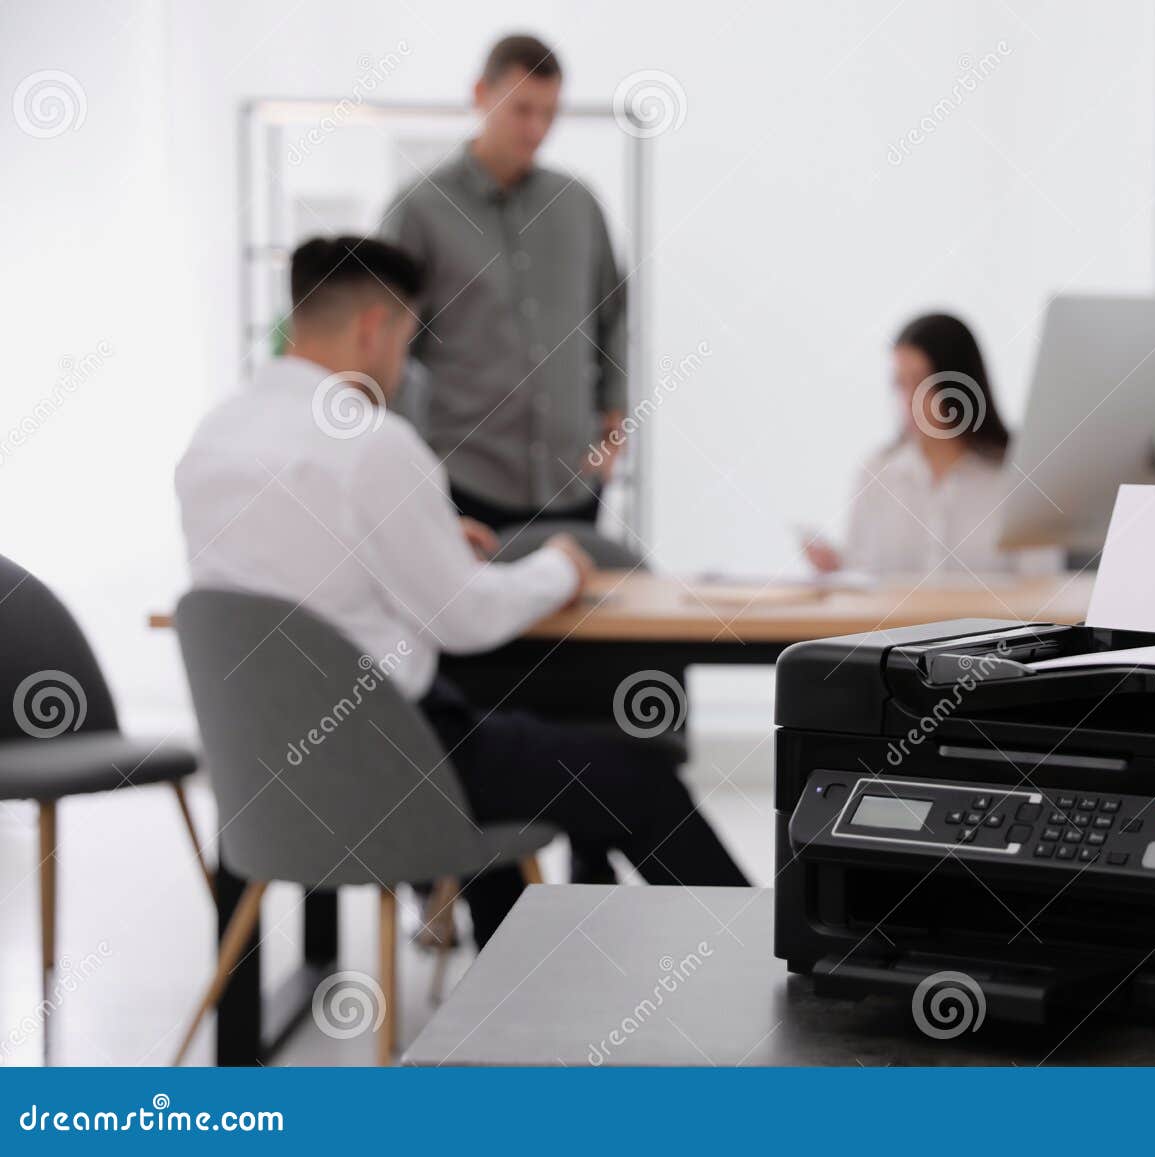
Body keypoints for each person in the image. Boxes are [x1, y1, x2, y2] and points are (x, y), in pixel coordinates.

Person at [175, 236, 746, 946]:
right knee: (640, 778)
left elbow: (307, 577)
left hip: (272, 778)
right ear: (374, 326)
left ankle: (507, 995)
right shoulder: (374, 442)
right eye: (408, 336)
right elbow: (468, 619)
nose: (405, 362)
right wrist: (564, 564)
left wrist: (430, 533)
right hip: (397, 765)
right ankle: (764, 976)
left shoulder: (213, 440)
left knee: (499, 729)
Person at [382, 32, 626, 532]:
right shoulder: (419, 210)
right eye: (522, 109)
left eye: (550, 113)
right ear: (480, 95)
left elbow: (613, 316)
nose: (537, 128)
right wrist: (408, 458)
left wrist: (616, 417)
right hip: (463, 481)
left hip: (572, 481)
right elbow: (387, 341)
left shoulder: (579, 205)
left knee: (575, 612)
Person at [805, 313, 1041, 577]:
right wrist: (835, 569)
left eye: (921, 383)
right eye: (900, 384)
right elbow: (859, 576)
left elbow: (1042, 587)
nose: (909, 400)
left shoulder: (1017, 476)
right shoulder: (877, 473)